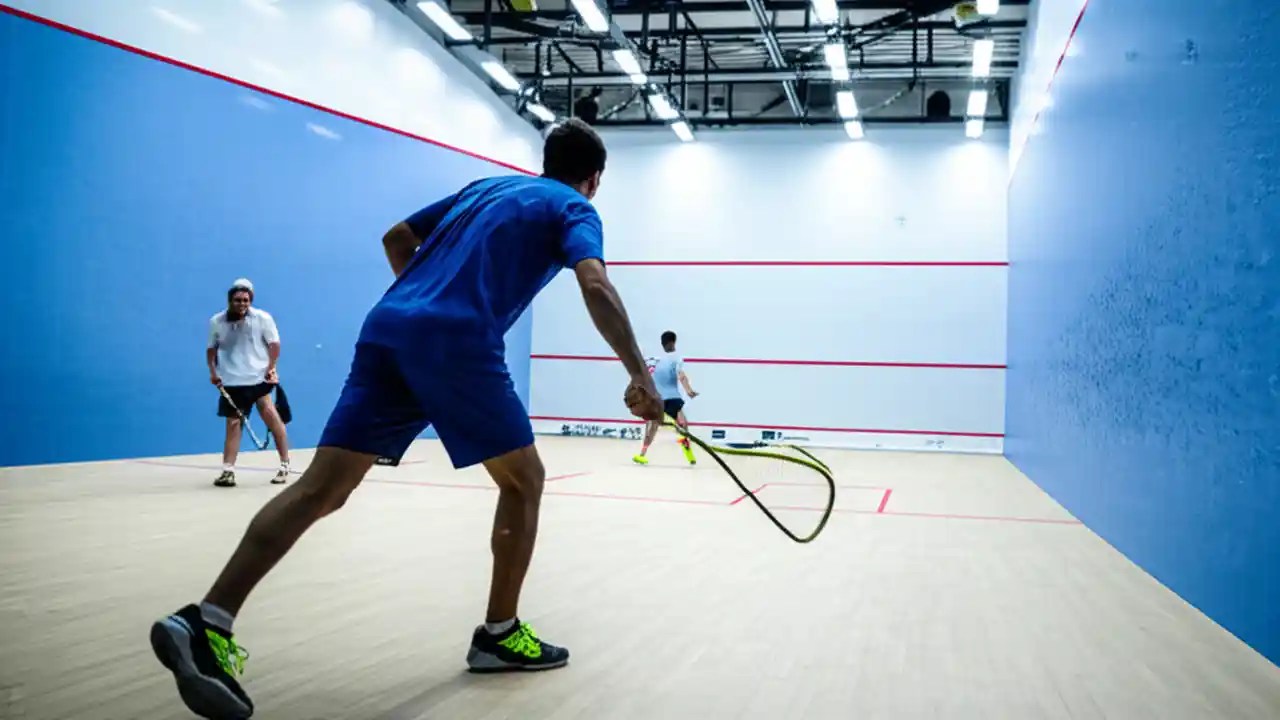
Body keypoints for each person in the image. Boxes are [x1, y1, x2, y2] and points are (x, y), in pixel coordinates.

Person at [149, 118, 663, 720]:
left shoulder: (483, 189)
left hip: (388, 327)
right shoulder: (575, 207)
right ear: (593, 179)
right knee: (525, 480)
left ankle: (208, 620)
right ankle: (499, 634)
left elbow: (396, 237)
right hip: (456, 341)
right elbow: (595, 282)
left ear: (545, 159)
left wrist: (421, 306)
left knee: (322, 487)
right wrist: (640, 375)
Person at [207, 278, 291, 487]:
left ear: (250, 300)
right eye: (237, 300)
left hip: (257, 379)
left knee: (270, 415)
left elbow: (274, 345)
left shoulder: (263, 318)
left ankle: (285, 464)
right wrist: (213, 373)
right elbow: (211, 349)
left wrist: (271, 367)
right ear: (230, 300)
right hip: (231, 381)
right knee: (233, 424)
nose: (242, 304)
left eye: (246, 300)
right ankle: (228, 471)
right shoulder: (217, 321)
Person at [633, 330, 699, 466]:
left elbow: (642, 377)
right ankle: (689, 453)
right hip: (671, 399)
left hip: (657, 400)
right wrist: (689, 391)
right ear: (673, 342)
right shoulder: (676, 358)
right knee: (683, 426)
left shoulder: (653, 360)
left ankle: (642, 454)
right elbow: (681, 376)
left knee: (652, 427)